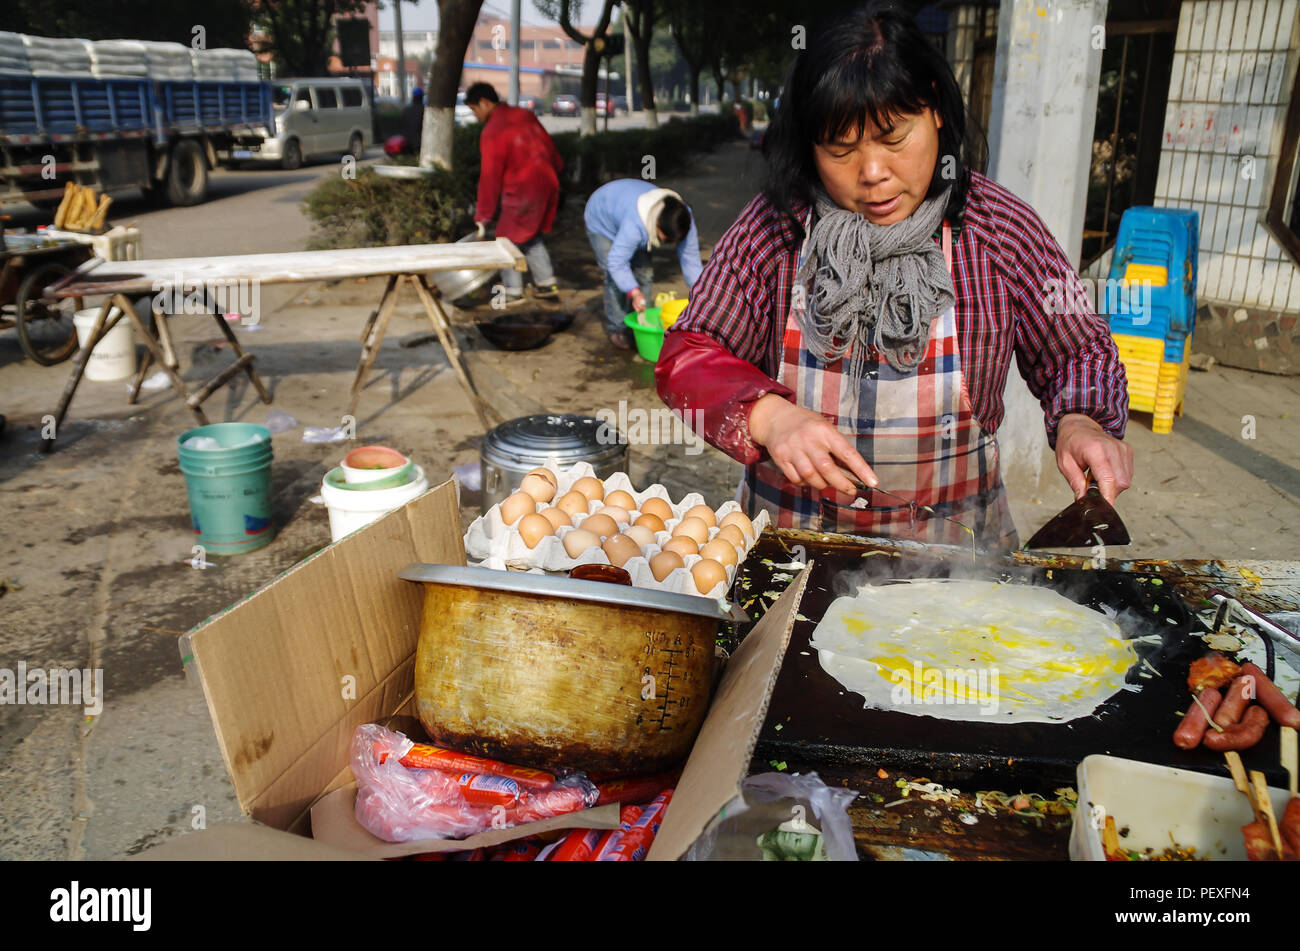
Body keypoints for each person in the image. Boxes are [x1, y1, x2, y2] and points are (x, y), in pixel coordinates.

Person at [654, 1, 1133, 550]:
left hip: (958, 564)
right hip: (789, 555)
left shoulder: (1000, 228)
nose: (873, 174)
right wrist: (768, 416)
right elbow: (686, 356)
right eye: (841, 149)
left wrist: (1082, 421)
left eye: (893, 137)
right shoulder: (776, 229)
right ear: (810, 147)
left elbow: (1079, 350)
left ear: (932, 108)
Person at [466, 82, 563, 303]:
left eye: (474, 109)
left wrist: (483, 215)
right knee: (531, 234)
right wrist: (556, 172)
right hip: (546, 183)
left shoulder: (492, 131)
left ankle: (512, 291)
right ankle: (546, 283)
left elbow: (489, 177)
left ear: (484, 103)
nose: (475, 115)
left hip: (522, 190)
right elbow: (550, 148)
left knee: (505, 240)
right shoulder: (524, 115)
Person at [583, 179, 702, 350]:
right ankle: (618, 329)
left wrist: (701, 294)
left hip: (627, 210)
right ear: (658, 225)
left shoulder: (683, 218)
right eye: (666, 240)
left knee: (644, 274)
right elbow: (616, 263)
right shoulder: (635, 226)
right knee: (614, 279)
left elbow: (690, 260)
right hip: (601, 217)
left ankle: (640, 322)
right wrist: (634, 291)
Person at [401, 87, 424, 154]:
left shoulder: (406, 110)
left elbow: (402, 126)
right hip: (420, 142)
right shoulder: (425, 110)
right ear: (421, 97)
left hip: (407, 142)